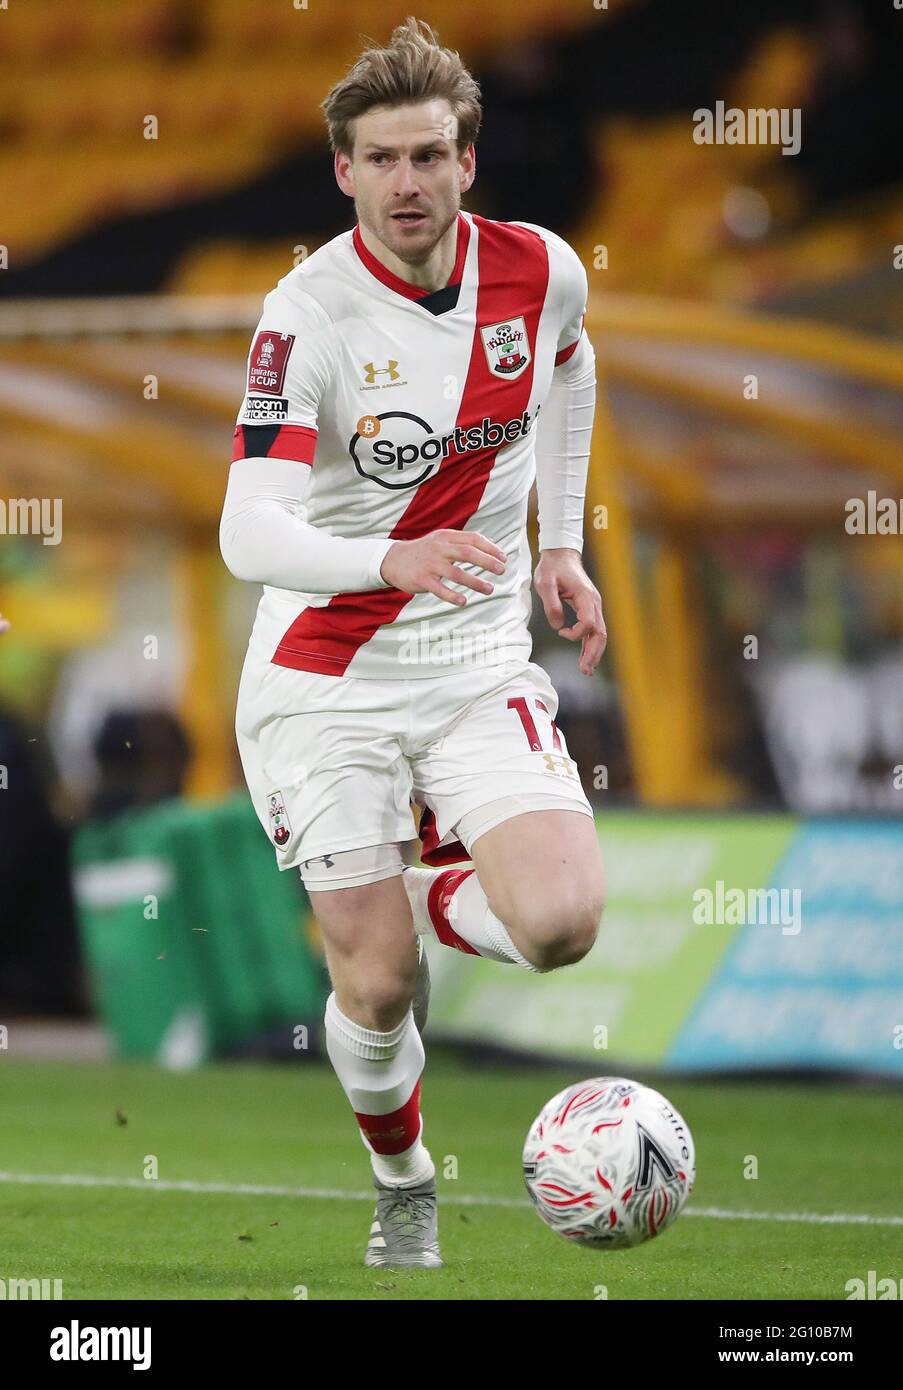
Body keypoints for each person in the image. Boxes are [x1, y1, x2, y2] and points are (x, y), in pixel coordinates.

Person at [220, 16, 607, 1269]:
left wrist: (561, 539)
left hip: (476, 658)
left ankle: (437, 878)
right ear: (342, 171)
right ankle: (405, 1180)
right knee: (379, 989)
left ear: (467, 161)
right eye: (380, 161)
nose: (406, 184)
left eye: (428, 157)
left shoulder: (543, 272)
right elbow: (246, 532)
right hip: (327, 680)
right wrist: (389, 556)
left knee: (560, 925)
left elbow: (574, 359)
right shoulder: (306, 318)